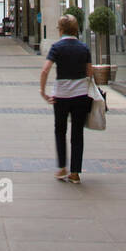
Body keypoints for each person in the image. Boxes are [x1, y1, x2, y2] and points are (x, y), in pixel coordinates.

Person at [40, 14, 93, 184]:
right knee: (78, 133)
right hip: (80, 94)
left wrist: (43, 91)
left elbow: (45, 70)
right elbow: (90, 72)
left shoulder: (57, 47)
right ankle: (75, 172)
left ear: (61, 29)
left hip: (61, 95)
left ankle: (62, 167)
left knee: (60, 130)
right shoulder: (84, 48)